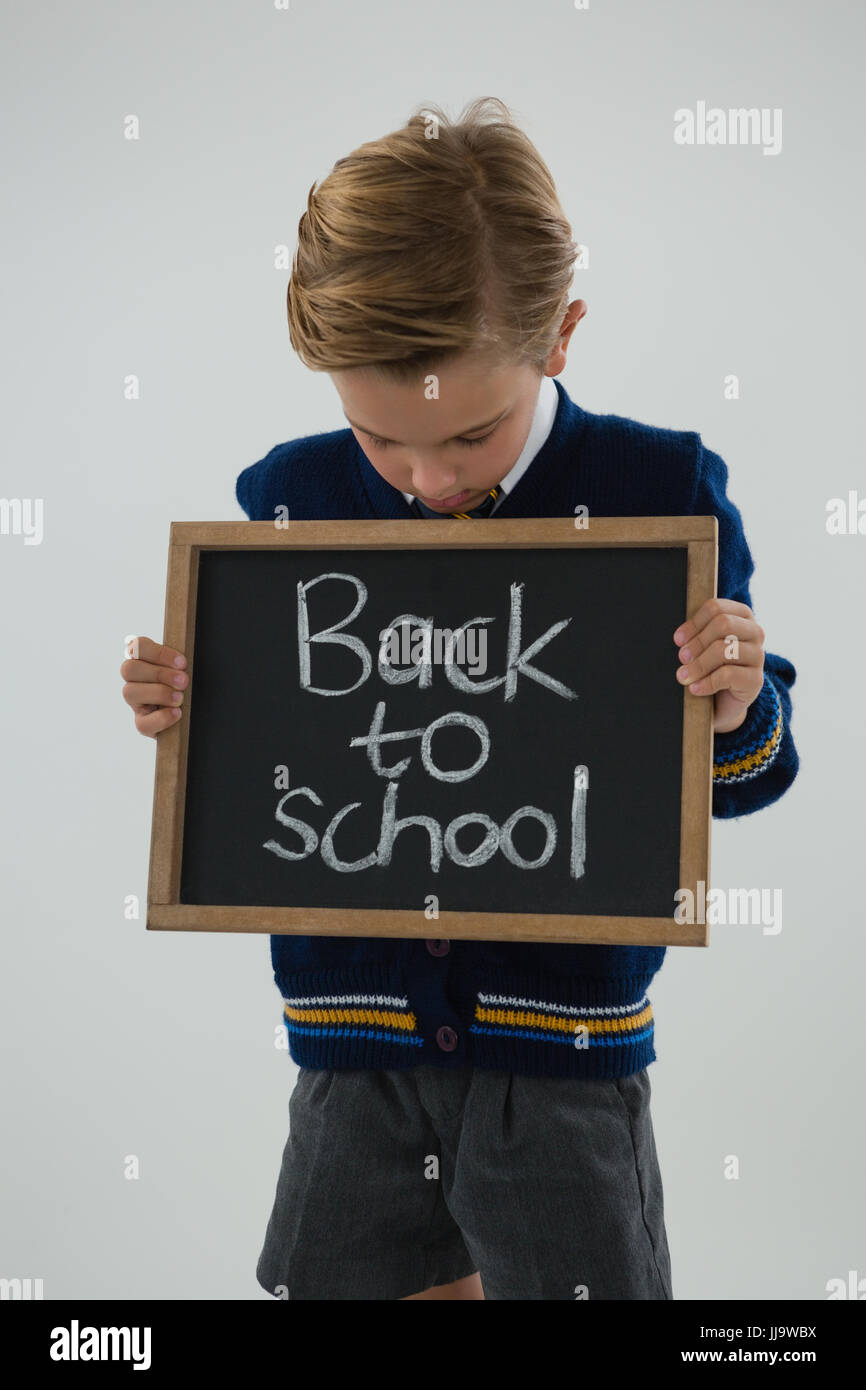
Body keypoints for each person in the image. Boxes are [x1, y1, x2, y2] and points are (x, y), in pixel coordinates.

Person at [119, 97, 798, 1300]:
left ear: (560, 336)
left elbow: (735, 788)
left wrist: (736, 705)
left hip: (561, 1059)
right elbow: (269, 759)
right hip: (351, 1046)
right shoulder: (286, 497)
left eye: (470, 436)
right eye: (381, 442)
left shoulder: (656, 491)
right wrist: (192, 710)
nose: (428, 480)